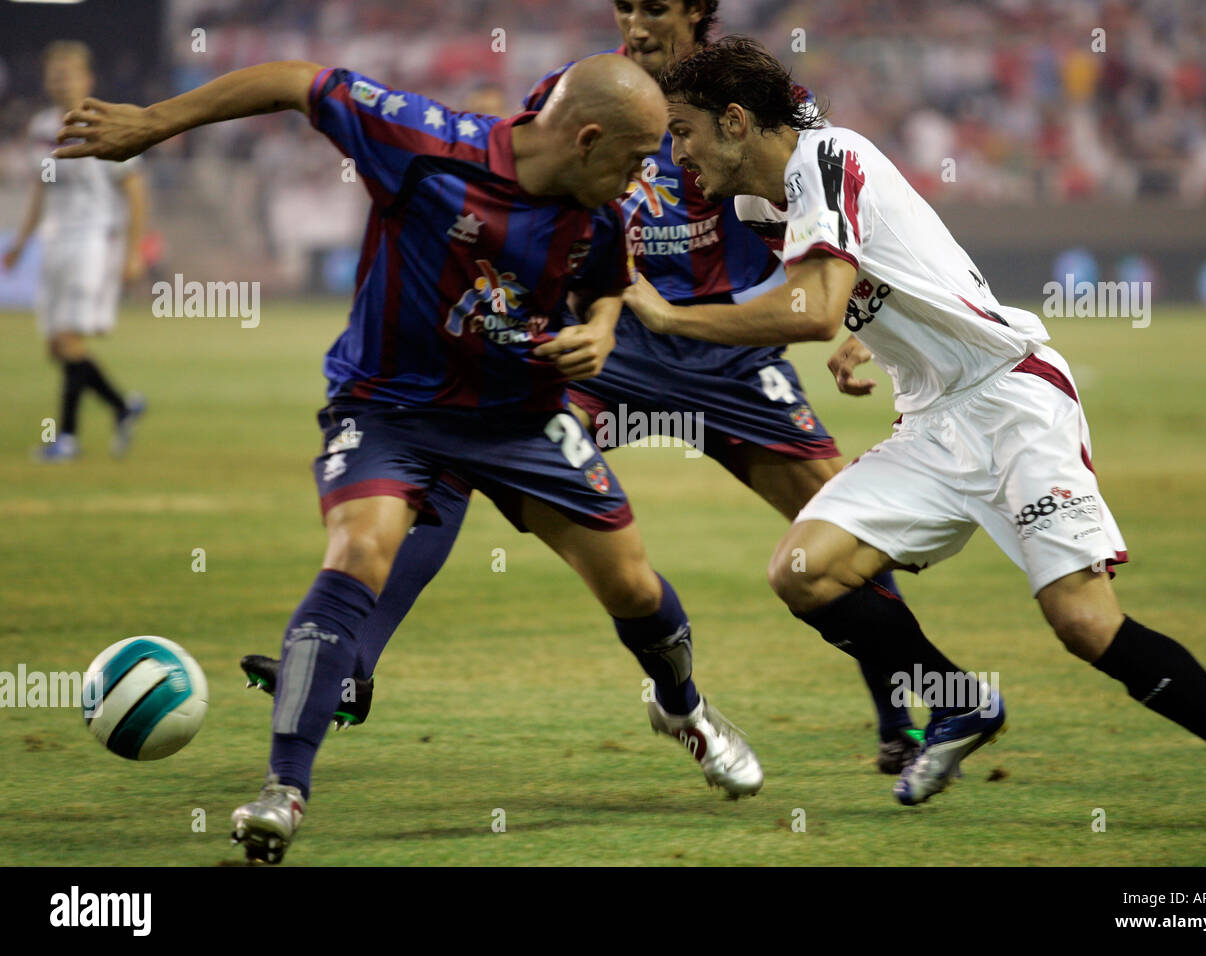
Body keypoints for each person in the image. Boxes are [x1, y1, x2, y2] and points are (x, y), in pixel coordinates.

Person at [57, 53, 763, 863]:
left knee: (632, 584)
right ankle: (283, 791)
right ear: (588, 137)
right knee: (359, 550)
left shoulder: (598, 210)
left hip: (521, 418)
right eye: (638, 158)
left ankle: (684, 709)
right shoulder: (427, 146)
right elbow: (298, 80)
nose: (647, 176)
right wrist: (154, 123)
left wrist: (602, 327)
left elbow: (604, 282)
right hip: (391, 407)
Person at [621, 37, 1206, 835]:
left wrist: (669, 318)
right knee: (805, 569)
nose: (677, 152)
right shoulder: (758, 203)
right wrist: (865, 333)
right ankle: (957, 702)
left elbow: (812, 306)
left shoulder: (827, 161)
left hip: (1012, 404)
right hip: (935, 423)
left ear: (734, 121)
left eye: (685, 130)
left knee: (1083, 624)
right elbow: (888, 269)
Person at [242, 0, 926, 776]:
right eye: (625, 6)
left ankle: (900, 713)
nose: (637, 23)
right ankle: (354, 663)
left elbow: (837, 199)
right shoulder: (582, 94)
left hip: (730, 346)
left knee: (836, 515)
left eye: (656, 7)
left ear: (698, 11)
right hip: (620, 345)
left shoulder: (752, 99)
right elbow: (522, 188)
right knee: (462, 455)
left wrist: (862, 317)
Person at [3, 41, 146, 462]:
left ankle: (66, 439)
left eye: (68, 73)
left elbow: (134, 191)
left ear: (87, 79)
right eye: (54, 74)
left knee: (68, 338)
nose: (60, 81)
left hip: (94, 239)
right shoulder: (41, 127)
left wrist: (134, 252)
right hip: (55, 239)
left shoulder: (104, 122)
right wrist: (21, 241)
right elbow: (41, 188)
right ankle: (122, 407)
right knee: (55, 344)